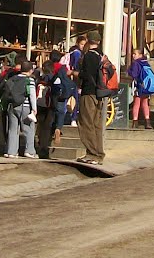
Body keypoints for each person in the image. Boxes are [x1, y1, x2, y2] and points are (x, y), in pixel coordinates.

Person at [76, 34, 111, 165]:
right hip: (100, 93)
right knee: (96, 124)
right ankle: (99, 153)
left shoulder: (89, 55)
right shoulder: (101, 55)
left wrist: (76, 74)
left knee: (86, 122)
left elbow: (87, 74)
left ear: (88, 41)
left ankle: (92, 153)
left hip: (89, 92)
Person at [1, 59, 38, 158]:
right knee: (28, 129)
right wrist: (34, 109)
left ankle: (11, 152)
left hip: (12, 106)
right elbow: (32, 95)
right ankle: (29, 151)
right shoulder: (29, 80)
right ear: (30, 70)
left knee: (13, 129)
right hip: (25, 106)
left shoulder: (13, 79)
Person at [41, 56, 77, 157]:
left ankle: (53, 130)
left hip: (52, 98)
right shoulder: (62, 68)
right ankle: (58, 129)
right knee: (61, 112)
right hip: (63, 94)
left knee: (52, 115)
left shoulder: (50, 72)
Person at [129, 46, 154, 129]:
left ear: (140, 55)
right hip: (146, 86)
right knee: (145, 103)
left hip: (139, 86)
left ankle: (135, 122)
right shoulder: (146, 63)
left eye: (135, 54)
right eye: (133, 54)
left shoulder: (136, 63)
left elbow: (134, 74)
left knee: (136, 103)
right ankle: (147, 122)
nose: (133, 56)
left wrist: (129, 70)